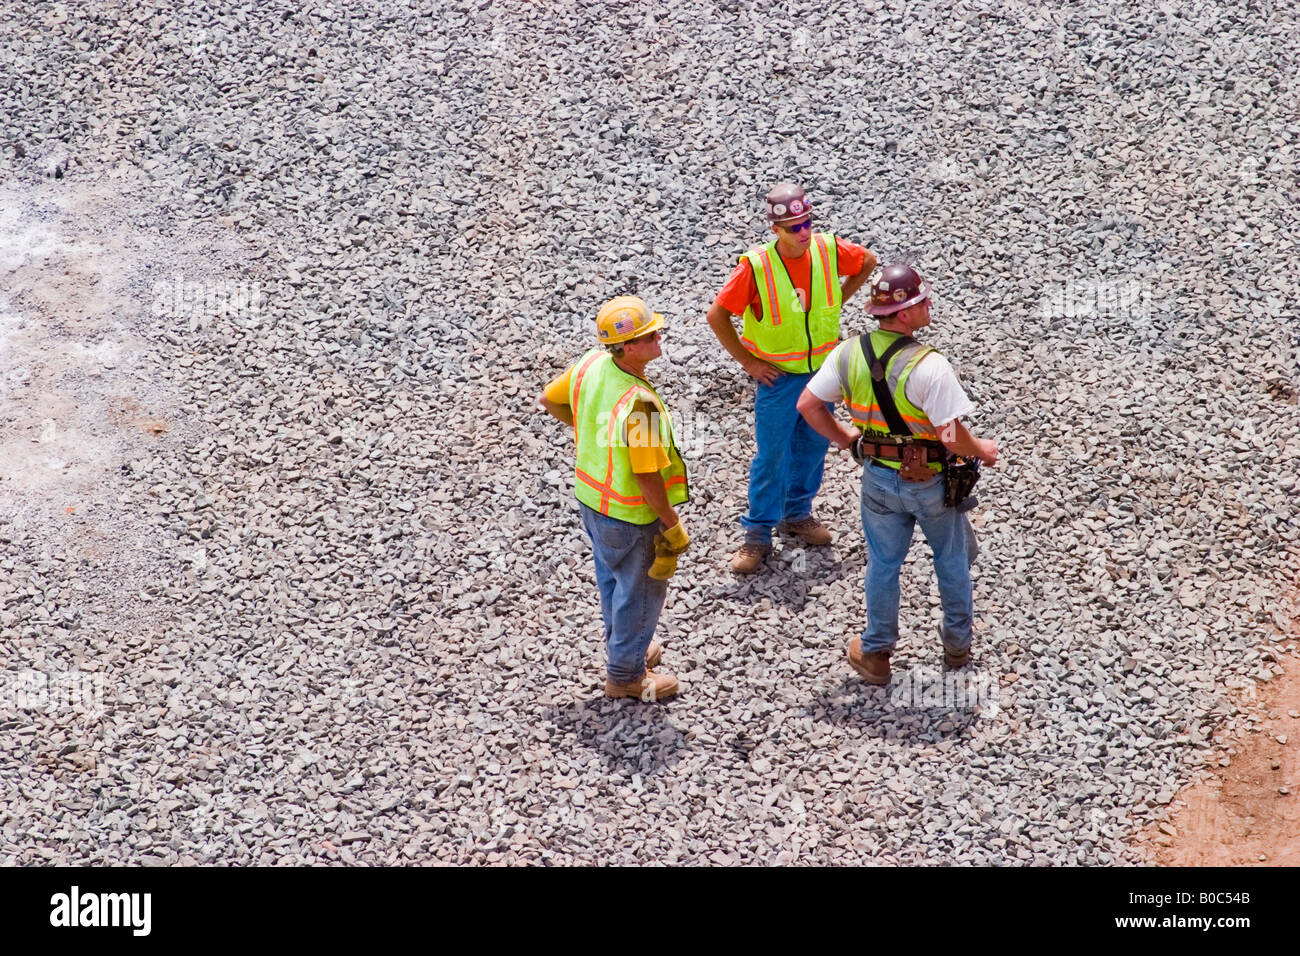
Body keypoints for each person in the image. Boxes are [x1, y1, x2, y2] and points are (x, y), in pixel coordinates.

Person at [795, 263, 999, 685]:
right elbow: (950, 434)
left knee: (884, 564)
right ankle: (957, 646)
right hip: (930, 483)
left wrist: (845, 439)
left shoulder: (848, 352)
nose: (929, 306)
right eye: (923, 301)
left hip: (878, 478)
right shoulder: (930, 365)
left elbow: (808, 405)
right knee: (951, 559)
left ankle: (876, 653)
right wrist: (984, 450)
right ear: (904, 313)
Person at [706, 182, 877, 573]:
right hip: (778, 379)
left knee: (813, 447)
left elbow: (868, 261)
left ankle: (797, 514)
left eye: (807, 224)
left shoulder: (827, 249)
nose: (804, 233)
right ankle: (757, 535)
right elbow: (717, 316)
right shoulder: (756, 266)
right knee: (772, 456)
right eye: (794, 227)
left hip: (820, 373)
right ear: (775, 230)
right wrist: (749, 363)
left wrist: (837, 297)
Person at [538, 295, 690, 701]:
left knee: (613, 579)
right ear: (627, 347)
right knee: (640, 589)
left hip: (592, 500)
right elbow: (646, 474)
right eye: (649, 335)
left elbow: (550, 398)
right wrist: (671, 523)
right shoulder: (640, 406)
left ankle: (627, 645)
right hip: (630, 513)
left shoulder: (591, 364)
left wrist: (590, 433)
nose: (659, 337)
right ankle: (625, 675)